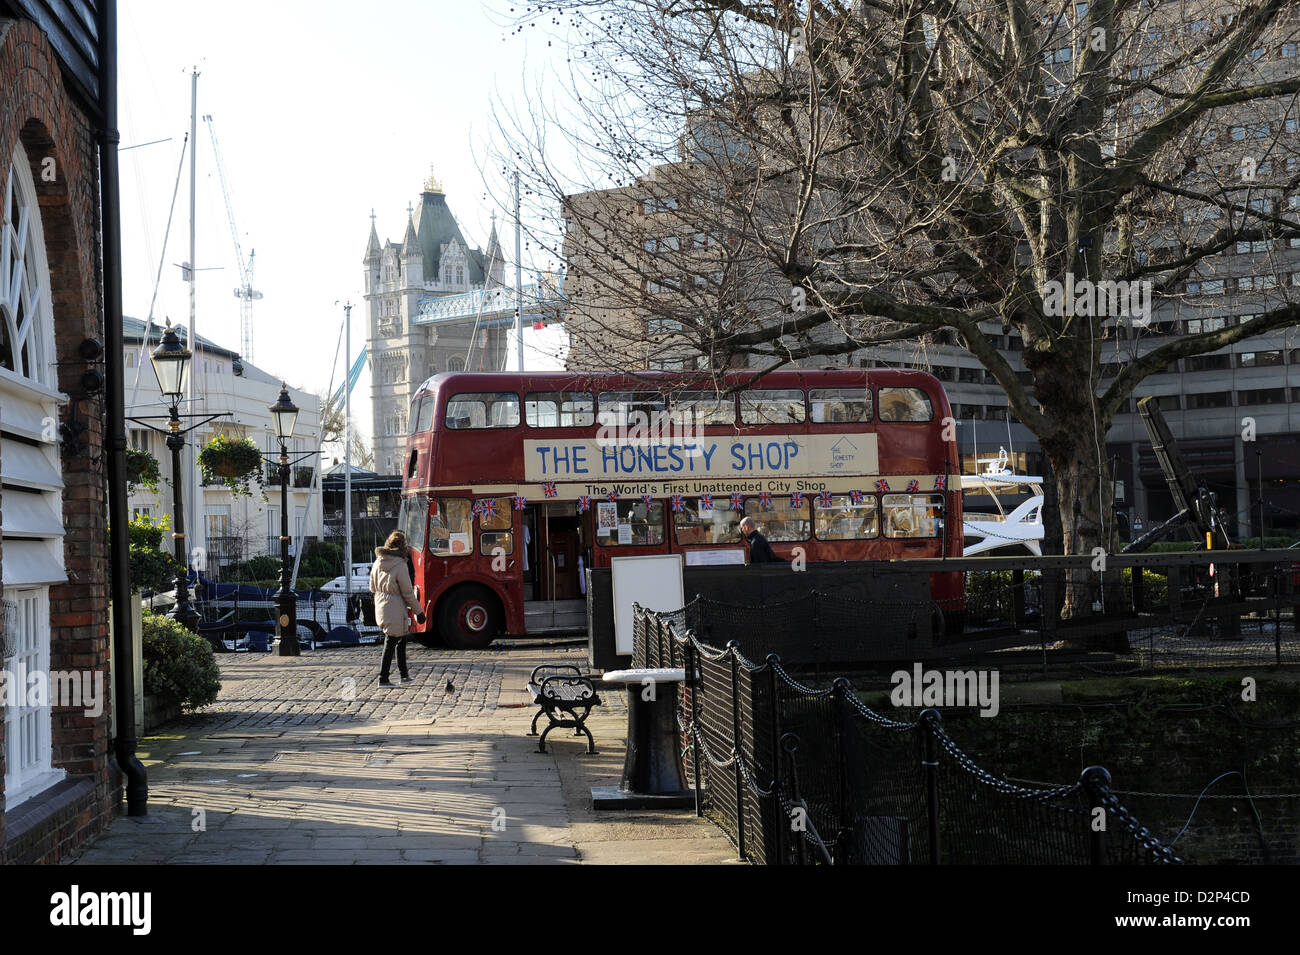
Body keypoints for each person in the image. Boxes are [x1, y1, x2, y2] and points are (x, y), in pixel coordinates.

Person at [370, 530, 425, 686]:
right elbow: (407, 592)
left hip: (381, 603)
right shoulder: (400, 565)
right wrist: (419, 612)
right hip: (395, 605)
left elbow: (372, 586)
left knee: (400, 638)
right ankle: (383, 678)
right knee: (392, 641)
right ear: (403, 546)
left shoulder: (377, 562)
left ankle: (404, 675)